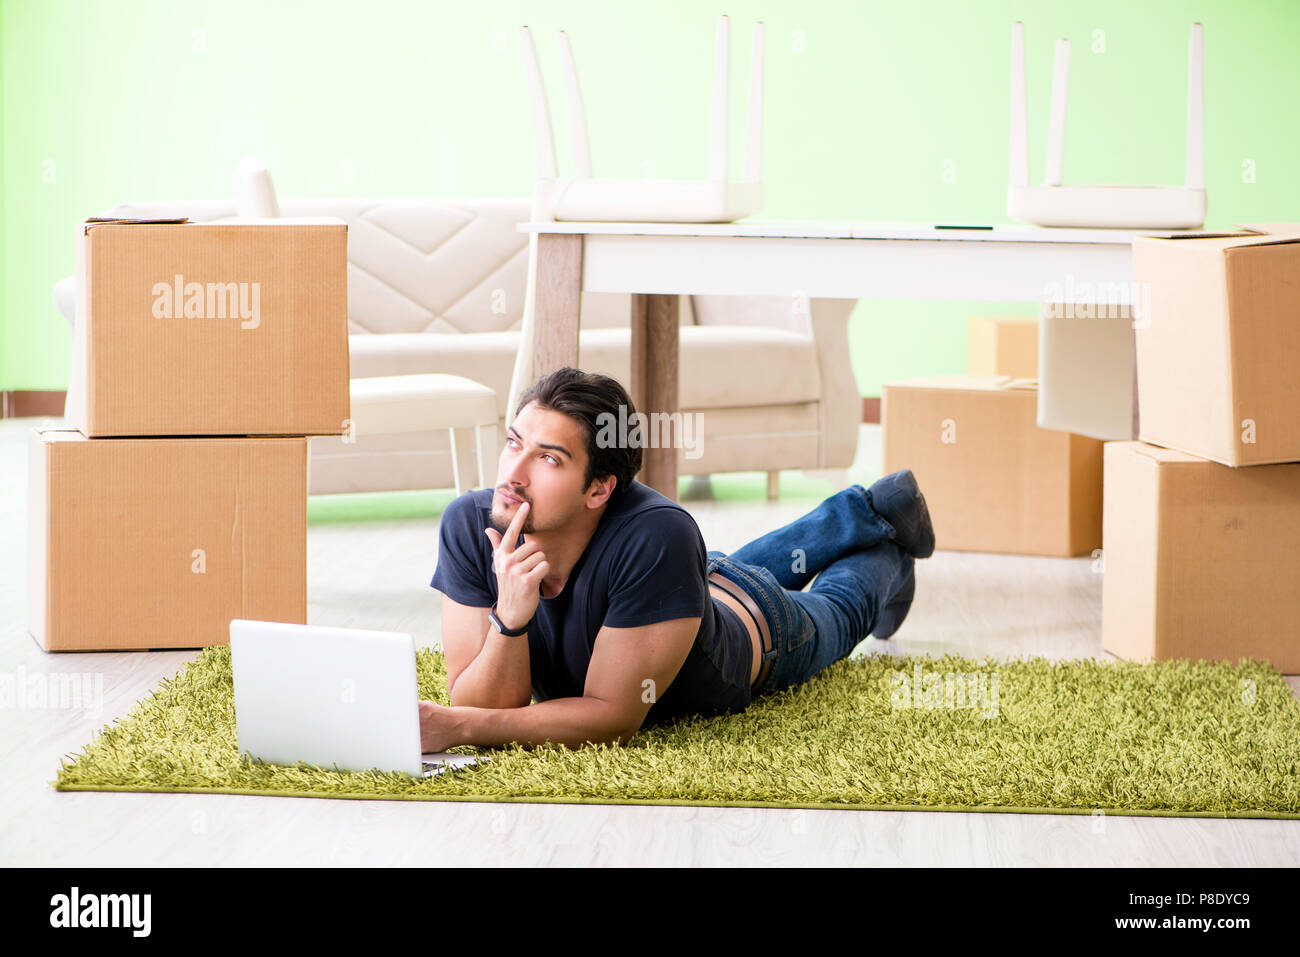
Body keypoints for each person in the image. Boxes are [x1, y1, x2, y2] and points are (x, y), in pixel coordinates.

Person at [420, 367, 934, 752]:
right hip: (678, 587)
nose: (514, 472)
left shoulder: (657, 536)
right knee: (709, 569)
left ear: (599, 489)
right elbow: (481, 701)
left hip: (758, 622)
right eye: (514, 443)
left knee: (840, 607)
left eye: (549, 458)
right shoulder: (472, 523)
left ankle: (890, 550)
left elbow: (611, 718)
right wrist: (509, 621)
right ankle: (867, 507)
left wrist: (460, 727)